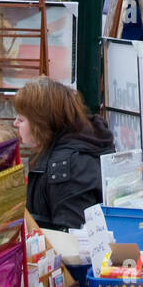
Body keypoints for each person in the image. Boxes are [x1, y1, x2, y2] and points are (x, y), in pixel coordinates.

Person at [14, 77, 115, 230]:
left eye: (21, 119)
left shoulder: (67, 166)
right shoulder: (78, 145)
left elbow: (72, 235)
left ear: (40, 124)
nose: (15, 124)